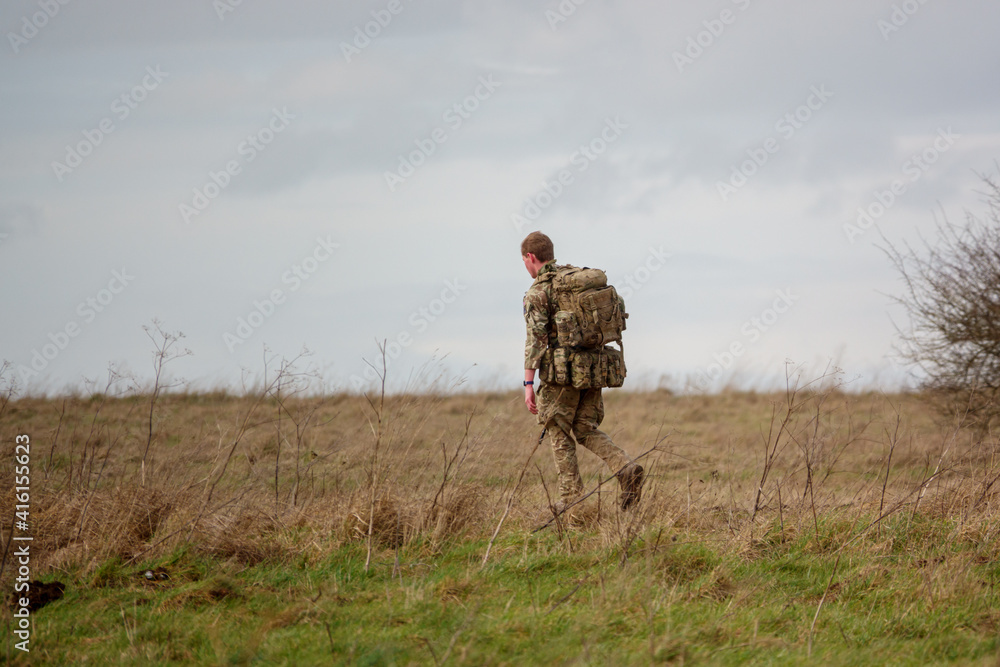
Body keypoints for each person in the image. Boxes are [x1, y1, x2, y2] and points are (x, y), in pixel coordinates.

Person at [520, 231, 644, 516]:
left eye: (524, 261)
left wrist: (528, 383)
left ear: (531, 257)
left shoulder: (539, 292)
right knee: (585, 428)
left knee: (558, 429)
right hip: (594, 367)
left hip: (561, 375)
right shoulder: (576, 281)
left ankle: (571, 500)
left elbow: (535, 342)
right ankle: (626, 468)